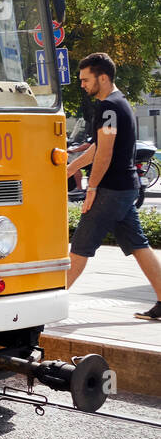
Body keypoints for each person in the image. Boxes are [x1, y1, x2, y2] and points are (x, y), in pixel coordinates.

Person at [65, 52, 161, 318]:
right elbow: (98, 147)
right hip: (124, 188)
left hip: (111, 191)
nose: (82, 85)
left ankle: (45, 308)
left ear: (103, 77)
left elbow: (104, 154)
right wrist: (70, 168)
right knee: (140, 246)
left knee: (80, 249)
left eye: (86, 79)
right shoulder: (120, 103)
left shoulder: (108, 107)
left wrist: (91, 188)